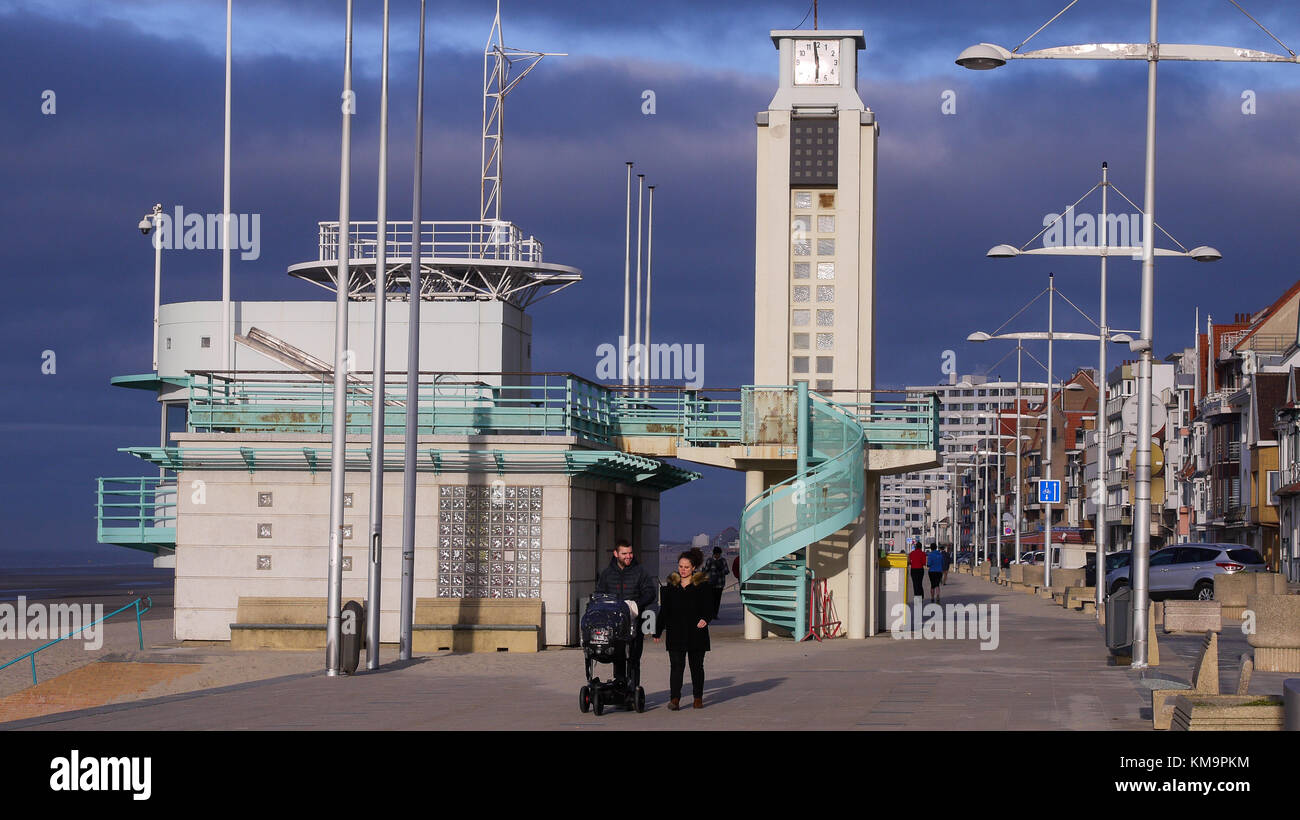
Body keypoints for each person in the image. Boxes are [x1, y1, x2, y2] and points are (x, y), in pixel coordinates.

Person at [594, 538, 658, 687]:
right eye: (624, 553)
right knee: (618, 656)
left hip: (635, 621)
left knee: (634, 658)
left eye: (630, 553)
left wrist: (636, 604)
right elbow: (599, 594)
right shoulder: (607, 574)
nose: (628, 556)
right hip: (614, 624)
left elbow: (650, 593)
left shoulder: (640, 572)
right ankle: (620, 684)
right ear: (616, 554)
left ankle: (634, 688)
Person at [654, 550, 712, 710]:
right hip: (676, 632)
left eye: (686, 567)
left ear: (693, 567)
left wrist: (705, 619)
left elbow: (710, 606)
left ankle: (698, 697)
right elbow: (665, 609)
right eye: (680, 566)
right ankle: (674, 699)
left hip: (696, 632)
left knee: (696, 667)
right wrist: (657, 630)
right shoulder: (671, 585)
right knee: (676, 666)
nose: (683, 570)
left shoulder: (703, 585)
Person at [701, 546, 729, 619]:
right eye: (716, 554)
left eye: (718, 554)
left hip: (720, 584)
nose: (717, 555)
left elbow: (727, 571)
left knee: (717, 600)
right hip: (711, 583)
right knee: (711, 600)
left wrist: (719, 572)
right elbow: (706, 570)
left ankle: (715, 614)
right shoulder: (709, 560)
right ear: (714, 554)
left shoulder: (723, 560)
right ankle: (712, 614)